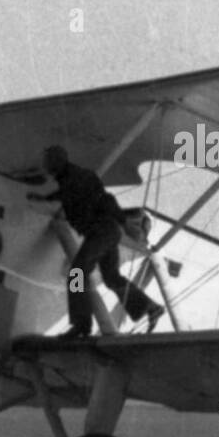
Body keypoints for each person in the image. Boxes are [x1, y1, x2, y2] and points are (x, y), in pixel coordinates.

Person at [29, 145, 164, 339]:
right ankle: (150, 307)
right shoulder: (70, 178)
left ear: (56, 161)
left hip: (103, 232)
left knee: (76, 273)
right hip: (104, 233)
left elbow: (105, 200)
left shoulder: (78, 177)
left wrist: (124, 221)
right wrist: (44, 197)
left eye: (47, 161)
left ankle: (81, 324)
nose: (45, 166)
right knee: (111, 277)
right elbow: (67, 195)